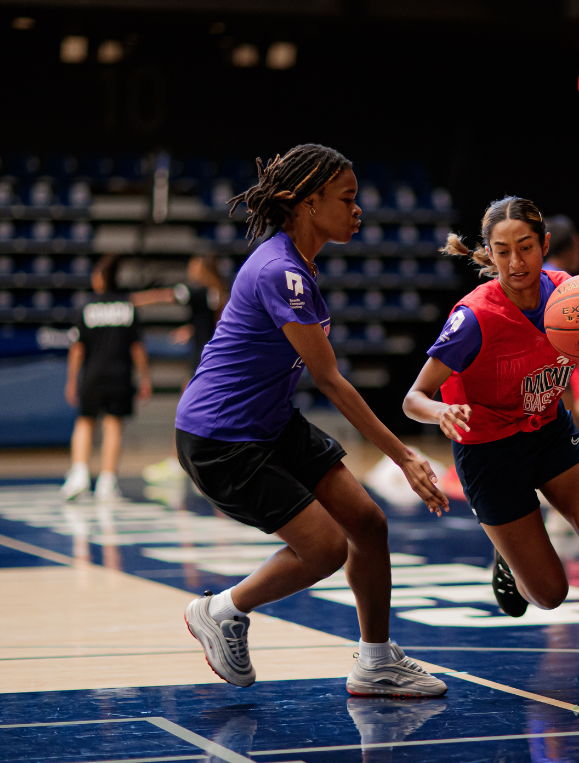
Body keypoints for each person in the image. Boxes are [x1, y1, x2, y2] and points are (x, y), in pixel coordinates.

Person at [175, 144, 447, 698]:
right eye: (346, 199)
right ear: (307, 202)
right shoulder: (282, 272)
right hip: (222, 437)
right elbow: (331, 381)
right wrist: (405, 456)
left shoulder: (296, 264)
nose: (358, 211)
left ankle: (374, 663)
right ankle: (221, 609)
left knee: (368, 523)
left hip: (268, 422)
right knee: (326, 548)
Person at [403, 196, 579, 695]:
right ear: (490, 254)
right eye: (502, 252)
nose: (515, 262)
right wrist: (441, 412)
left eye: (525, 247)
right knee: (549, 594)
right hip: (487, 451)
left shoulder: (572, 296)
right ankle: (510, 555)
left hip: (547, 430)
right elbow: (412, 397)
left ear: (545, 246)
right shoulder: (474, 317)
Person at [60, 255, 152, 502]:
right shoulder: (127, 307)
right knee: (113, 425)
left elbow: (77, 348)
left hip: (92, 376)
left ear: (101, 279)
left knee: (85, 422)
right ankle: (107, 481)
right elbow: (137, 348)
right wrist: (145, 377)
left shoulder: (87, 307)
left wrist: (71, 380)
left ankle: (79, 473)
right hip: (120, 376)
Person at [137, 255, 230, 484]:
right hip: (215, 360)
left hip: (201, 361)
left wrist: (134, 300)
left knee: (186, 410)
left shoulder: (197, 291)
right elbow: (218, 323)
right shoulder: (218, 294)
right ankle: (203, 459)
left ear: (203, 269)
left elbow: (166, 295)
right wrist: (190, 329)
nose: (190, 269)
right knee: (208, 411)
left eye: (194, 265)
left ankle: (177, 461)